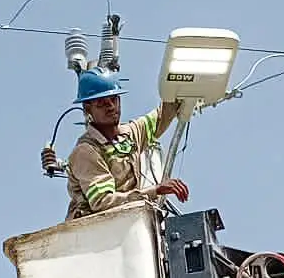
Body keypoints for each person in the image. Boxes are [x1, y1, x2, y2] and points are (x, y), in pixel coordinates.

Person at [64, 69, 191, 221]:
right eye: (101, 103)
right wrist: (155, 191)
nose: (110, 106)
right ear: (87, 109)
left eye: (113, 99)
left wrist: (183, 82)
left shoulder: (130, 134)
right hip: (92, 230)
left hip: (126, 222)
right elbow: (103, 201)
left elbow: (163, 115)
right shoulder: (86, 151)